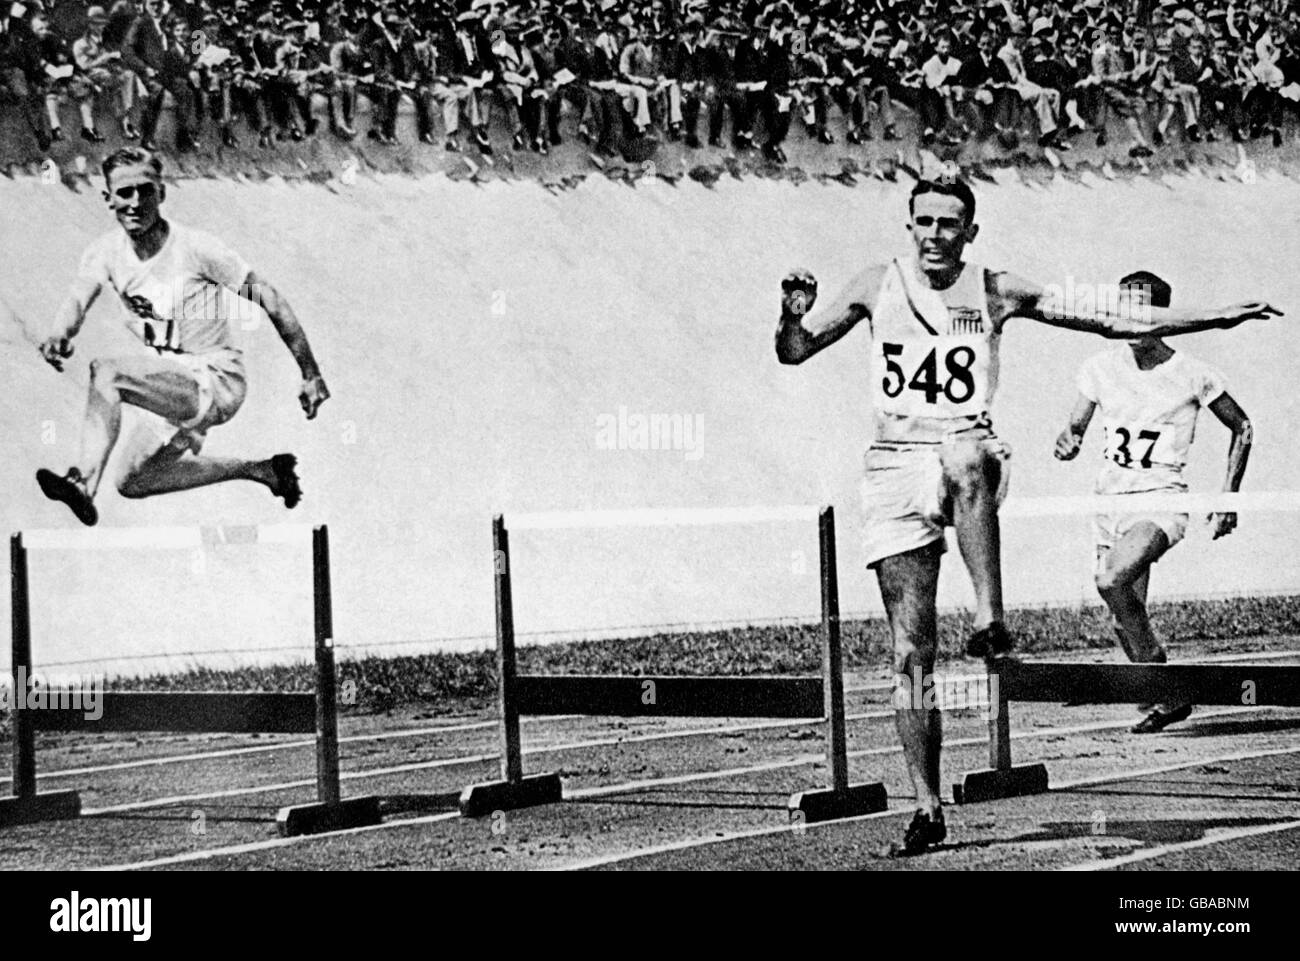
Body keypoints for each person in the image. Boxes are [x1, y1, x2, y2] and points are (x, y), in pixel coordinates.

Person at [774, 176, 1279, 856]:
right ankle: (926, 804)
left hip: (972, 454)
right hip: (893, 464)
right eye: (923, 221)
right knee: (910, 654)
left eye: (949, 224)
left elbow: (1111, 318)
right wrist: (790, 313)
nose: (934, 235)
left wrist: (1213, 318)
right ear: (909, 226)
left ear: (970, 233)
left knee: (962, 454)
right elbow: (796, 350)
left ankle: (990, 615)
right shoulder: (876, 284)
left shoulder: (996, 288)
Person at [32, 147, 329, 527]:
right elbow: (78, 296)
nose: (136, 202)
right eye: (125, 193)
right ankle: (263, 471)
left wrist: (310, 373)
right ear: (107, 199)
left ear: (162, 193)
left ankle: (83, 482)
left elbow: (268, 297)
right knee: (133, 480)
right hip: (171, 385)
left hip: (216, 380)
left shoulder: (197, 249)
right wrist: (60, 332)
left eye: (146, 191)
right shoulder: (104, 253)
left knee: (106, 372)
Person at [1054, 271, 1253, 734]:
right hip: (1108, 504)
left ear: (1166, 317)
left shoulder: (1193, 372)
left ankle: (1159, 667)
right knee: (1124, 618)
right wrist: (1068, 439)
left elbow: (1243, 427)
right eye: (1123, 312)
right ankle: (1168, 698)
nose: (1132, 322)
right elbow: (1075, 428)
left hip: (1160, 499)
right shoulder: (1100, 368)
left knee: (1110, 578)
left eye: (1142, 313)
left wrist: (1228, 499)